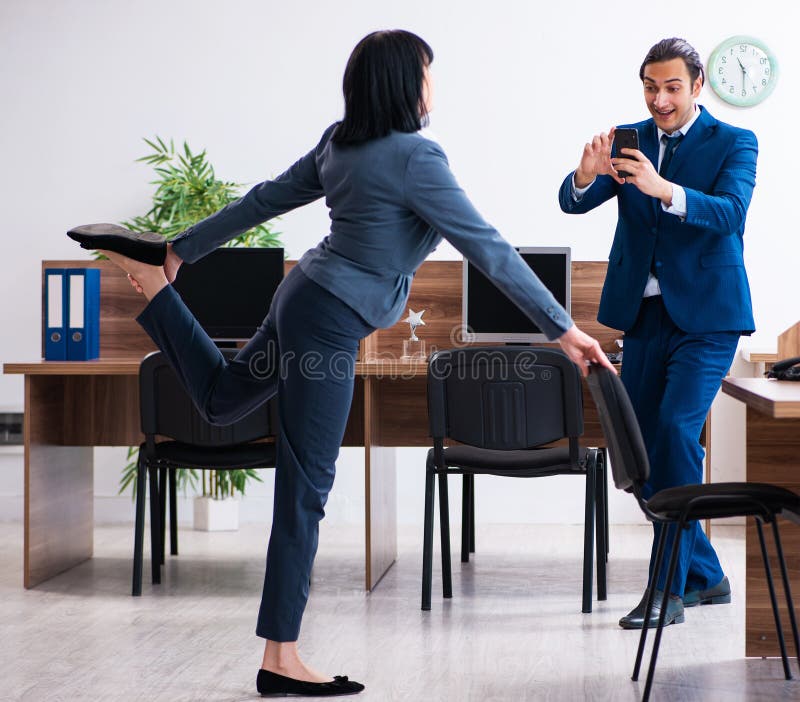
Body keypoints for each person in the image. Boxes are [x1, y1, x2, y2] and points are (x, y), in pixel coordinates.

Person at [72, 30, 613, 697]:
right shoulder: (417, 158)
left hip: (303, 296)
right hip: (325, 323)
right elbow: (490, 250)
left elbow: (266, 198)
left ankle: (157, 283)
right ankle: (281, 657)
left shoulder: (341, 142)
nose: (433, 84)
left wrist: (180, 249)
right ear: (405, 84)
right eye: (427, 72)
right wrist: (564, 329)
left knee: (220, 400)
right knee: (307, 485)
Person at [558, 37, 758, 630]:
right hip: (642, 317)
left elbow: (731, 213)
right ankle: (707, 574)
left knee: (675, 431)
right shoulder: (630, 138)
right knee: (643, 455)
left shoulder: (735, 141)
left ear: (698, 86)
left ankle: (665, 589)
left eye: (672, 87)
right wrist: (585, 173)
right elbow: (575, 203)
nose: (660, 99)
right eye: (650, 87)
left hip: (708, 318)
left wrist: (664, 190)